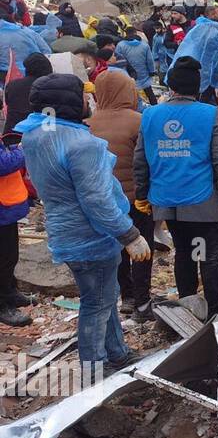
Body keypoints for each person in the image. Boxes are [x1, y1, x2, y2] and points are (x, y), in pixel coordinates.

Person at [15, 73, 151, 370]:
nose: (90, 101)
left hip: (64, 231)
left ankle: (117, 353)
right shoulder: (82, 144)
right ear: (71, 102)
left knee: (103, 295)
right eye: (84, 96)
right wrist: (129, 234)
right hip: (91, 235)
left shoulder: (36, 133)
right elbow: (96, 200)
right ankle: (95, 369)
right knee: (97, 303)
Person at [134, 57, 218, 325]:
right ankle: (216, 310)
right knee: (208, 255)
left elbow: (141, 159)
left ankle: (188, 306)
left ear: (171, 87)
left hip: (166, 200)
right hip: (202, 201)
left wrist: (142, 194)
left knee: (185, 252)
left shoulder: (150, 115)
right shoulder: (210, 114)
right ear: (196, 88)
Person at [87, 68, 156, 317]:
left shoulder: (87, 124)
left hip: (103, 202)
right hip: (135, 200)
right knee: (141, 247)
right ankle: (142, 301)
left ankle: (125, 296)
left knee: (117, 249)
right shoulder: (139, 120)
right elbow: (148, 162)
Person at [173, 4, 218, 104]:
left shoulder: (195, 28)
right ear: (212, 15)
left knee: (206, 93)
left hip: (199, 68)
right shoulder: (217, 28)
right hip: (207, 69)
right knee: (205, 95)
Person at [0, 134, 29, 327]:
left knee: (10, 255)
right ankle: (2, 304)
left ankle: (10, 291)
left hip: (5, 208)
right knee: (3, 258)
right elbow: (3, 164)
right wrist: (22, 150)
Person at [3, 52, 52, 135]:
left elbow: (7, 103)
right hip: (39, 135)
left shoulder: (12, 85)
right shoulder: (50, 87)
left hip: (11, 134)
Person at [0, 13, 53, 82]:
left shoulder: (2, 34)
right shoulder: (28, 32)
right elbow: (47, 51)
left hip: (6, 78)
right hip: (35, 75)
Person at [113, 25, 156, 104]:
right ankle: (155, 108)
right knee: (150, 93)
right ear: (136, 33)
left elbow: (118, 61)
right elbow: (149, 60)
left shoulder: (120, 45)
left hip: (128, 75)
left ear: (125, 34)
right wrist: (152, 71)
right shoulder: (144, 45)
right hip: (144, 74)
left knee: (132, 96)